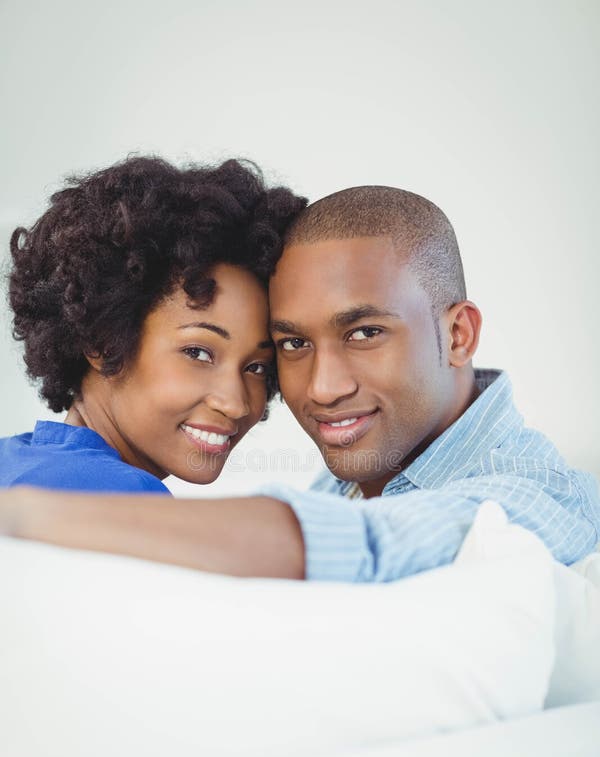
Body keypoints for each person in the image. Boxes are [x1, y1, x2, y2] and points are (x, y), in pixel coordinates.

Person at [1, 185, 599, 579]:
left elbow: (373, 547)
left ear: (460, 335)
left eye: (365, 332)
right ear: (103, 344)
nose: (321, 388)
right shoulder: (352, 474)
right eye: (293, 344)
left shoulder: (543, 494)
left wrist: (22, 519)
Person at [0, 156, 305, 493]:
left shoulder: (11, 459)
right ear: (103, 341)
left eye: (257, 368)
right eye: (198, 352)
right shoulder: (123, 498)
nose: (236, 403)